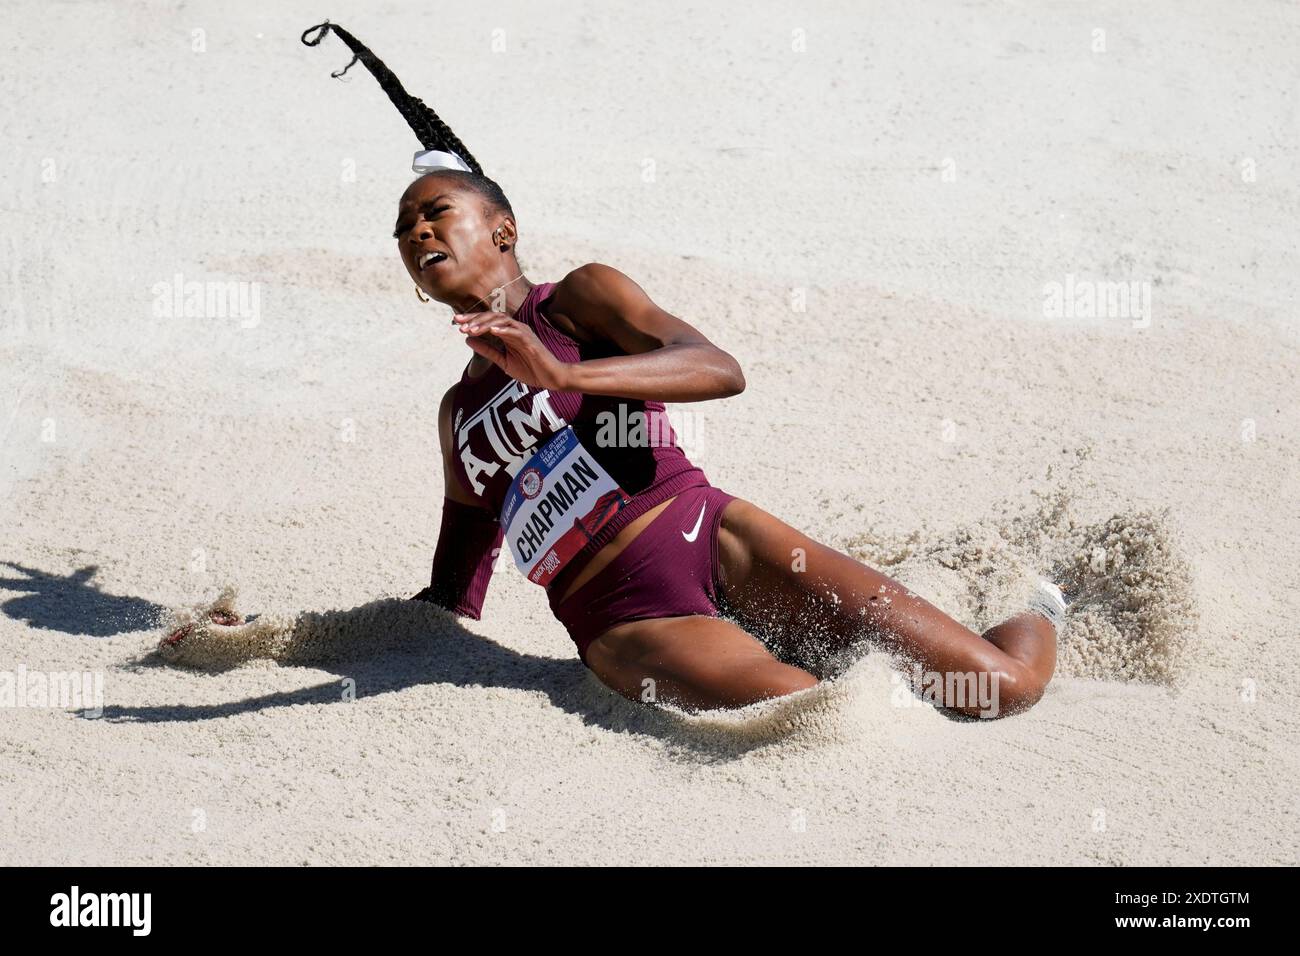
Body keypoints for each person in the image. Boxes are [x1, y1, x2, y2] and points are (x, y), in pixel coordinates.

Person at [284, 23, 1069, 717]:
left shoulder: (578, 301)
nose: (417, 229)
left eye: (435, 211)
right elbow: (446, 602)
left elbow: (718, 371)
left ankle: (1035, 600)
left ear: (502, 229)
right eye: (402, 227)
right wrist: (280, 638)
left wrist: (563, 373)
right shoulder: (461, 414)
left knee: (998, 688)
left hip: (719, 535)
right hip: (627, 623)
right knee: (820, 712)